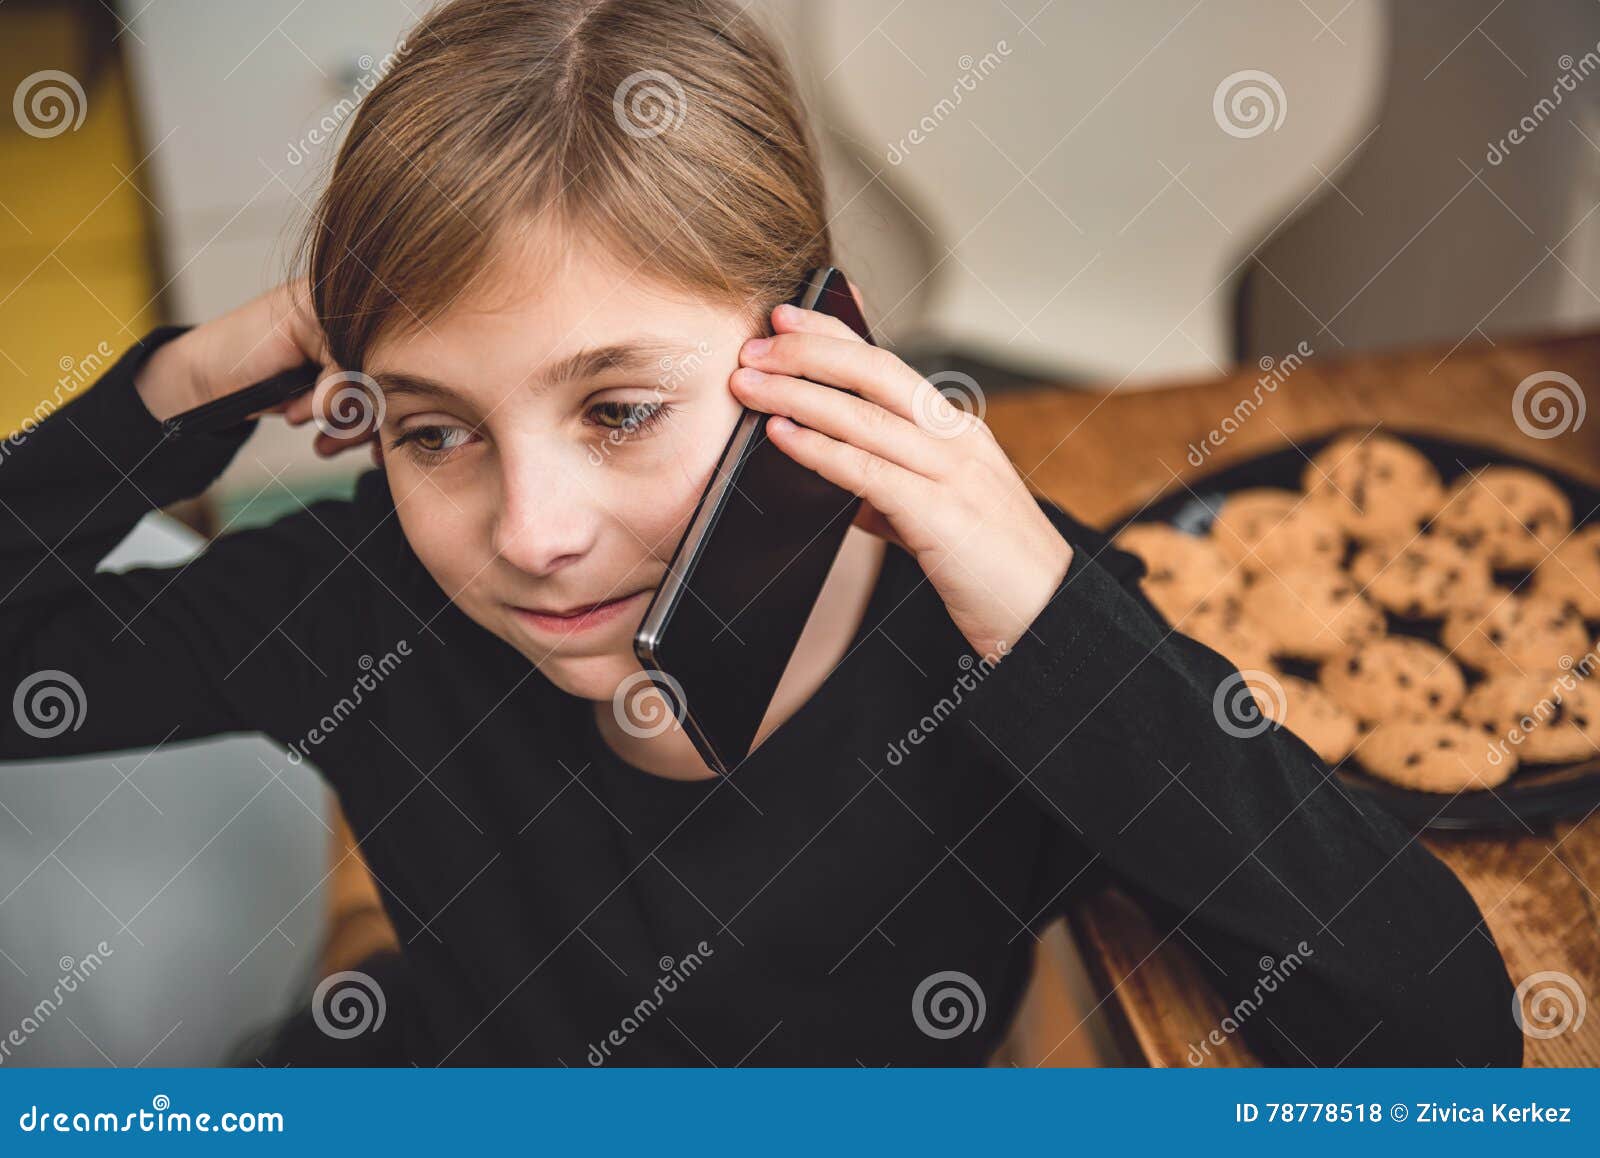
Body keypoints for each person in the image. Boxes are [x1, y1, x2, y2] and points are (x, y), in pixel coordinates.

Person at [0, 0, 1520, 1067]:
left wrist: (1062, 627)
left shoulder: (1001, 637)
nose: (532, 534)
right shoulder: (360, 601)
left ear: (811, 341)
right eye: (434, 427)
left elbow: (1437, 1029)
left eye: (615, 411)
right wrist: (180, 388)